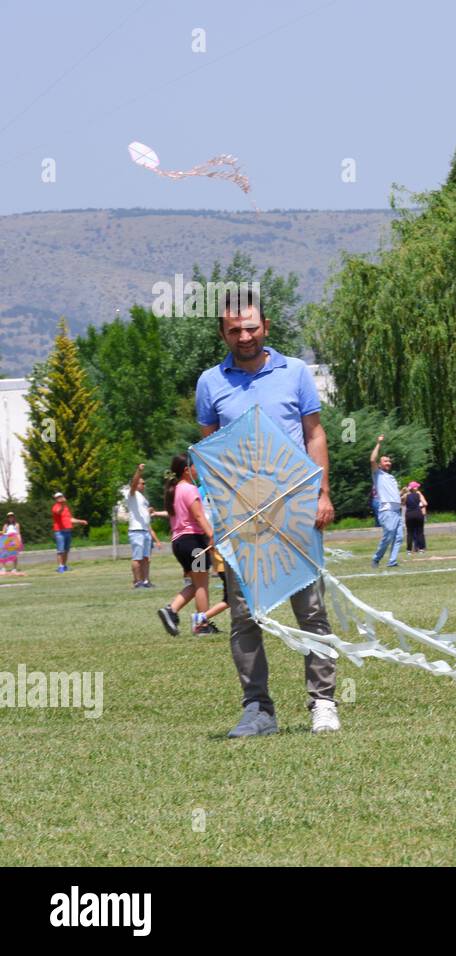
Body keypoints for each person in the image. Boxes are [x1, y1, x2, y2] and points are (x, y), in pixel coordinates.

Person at [195, 293, 340, 737]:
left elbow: (315, 436)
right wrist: (214, 517)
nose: (244, 336)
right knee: (243, 615)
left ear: (267, 327)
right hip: (242, 519)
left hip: (295, 511)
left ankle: (323, 703)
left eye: (251, 327)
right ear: (223, 333)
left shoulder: (295, 372)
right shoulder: (210, 382)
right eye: (235, 330)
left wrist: (322, 494)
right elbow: (209, 456)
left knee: (310, 611)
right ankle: (258, 710)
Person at [157, 454, 217, 637]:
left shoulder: (174, 490)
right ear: (186, 470)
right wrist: (212, 535)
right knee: (201, 585)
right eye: (195, 467)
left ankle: (171, 610)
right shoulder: (190, 490)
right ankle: (201, 625)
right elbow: (199, 517)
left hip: (179, 543)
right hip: (194, 543)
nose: (198, 471)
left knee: (196, 583)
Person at [124, 463, 164, 589]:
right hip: (136, 531)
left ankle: (146, 581)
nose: (144, 485)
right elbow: (134, 483)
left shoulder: (142, 498)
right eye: (142, 483)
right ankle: (137, 581)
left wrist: (149, 511)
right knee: (137, 558)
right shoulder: (131, 494)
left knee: (146, 558)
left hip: (145, 530)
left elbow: (141, 512)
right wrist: (139, 471)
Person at [369, 434, 403, 568]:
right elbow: (372, 459)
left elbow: (394, 495)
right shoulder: (377, 474)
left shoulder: (391, 478)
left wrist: (403, 493)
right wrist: (378, 443)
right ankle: (376, 558)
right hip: (387, 510)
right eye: (385, 461)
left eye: (389, 461)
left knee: (399, 537)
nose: (388, 463)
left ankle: (392, 561)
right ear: (379, 464)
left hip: (397, 511)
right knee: (388, 535)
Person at [50, 492, 88, 573]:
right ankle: (60, 567)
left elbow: (70, 519)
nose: (60, 498)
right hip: (60, 532)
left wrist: (80, 521)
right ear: (56, 499)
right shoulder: (55, 507)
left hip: (68, 531)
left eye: (61, 496)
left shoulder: (66, 508)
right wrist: (63, 504)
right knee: (60, 550)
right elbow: (59, 512)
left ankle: (64, 566)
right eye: (58, 497)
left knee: (66, 550)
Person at [403, 481, 427, 554]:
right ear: (414, 488)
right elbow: (425, 503)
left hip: (409, 514)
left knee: (409, 532)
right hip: (418, 513)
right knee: (420, 532)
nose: (418, 487)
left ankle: (409, 550)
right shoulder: (418, 494)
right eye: (416, 486)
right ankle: (421, 549)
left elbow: (403, 503)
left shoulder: (406, 495)